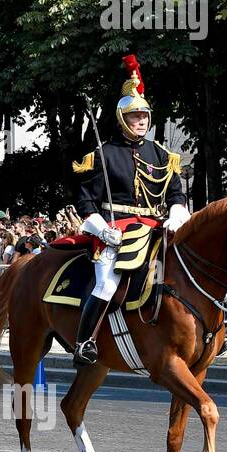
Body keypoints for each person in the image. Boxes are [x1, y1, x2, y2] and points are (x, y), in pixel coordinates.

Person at [71, 54, 189, 366]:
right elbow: (86, 202)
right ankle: (85, 342)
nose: (141, 122)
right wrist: (101, 229)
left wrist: (177, 216)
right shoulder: (103, 155)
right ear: (123, 119)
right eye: (135, 117)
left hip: (156, 229)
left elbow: (176, 194)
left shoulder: (162, 155)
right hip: (117, 231)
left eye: (145, 117)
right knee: (106, 283)